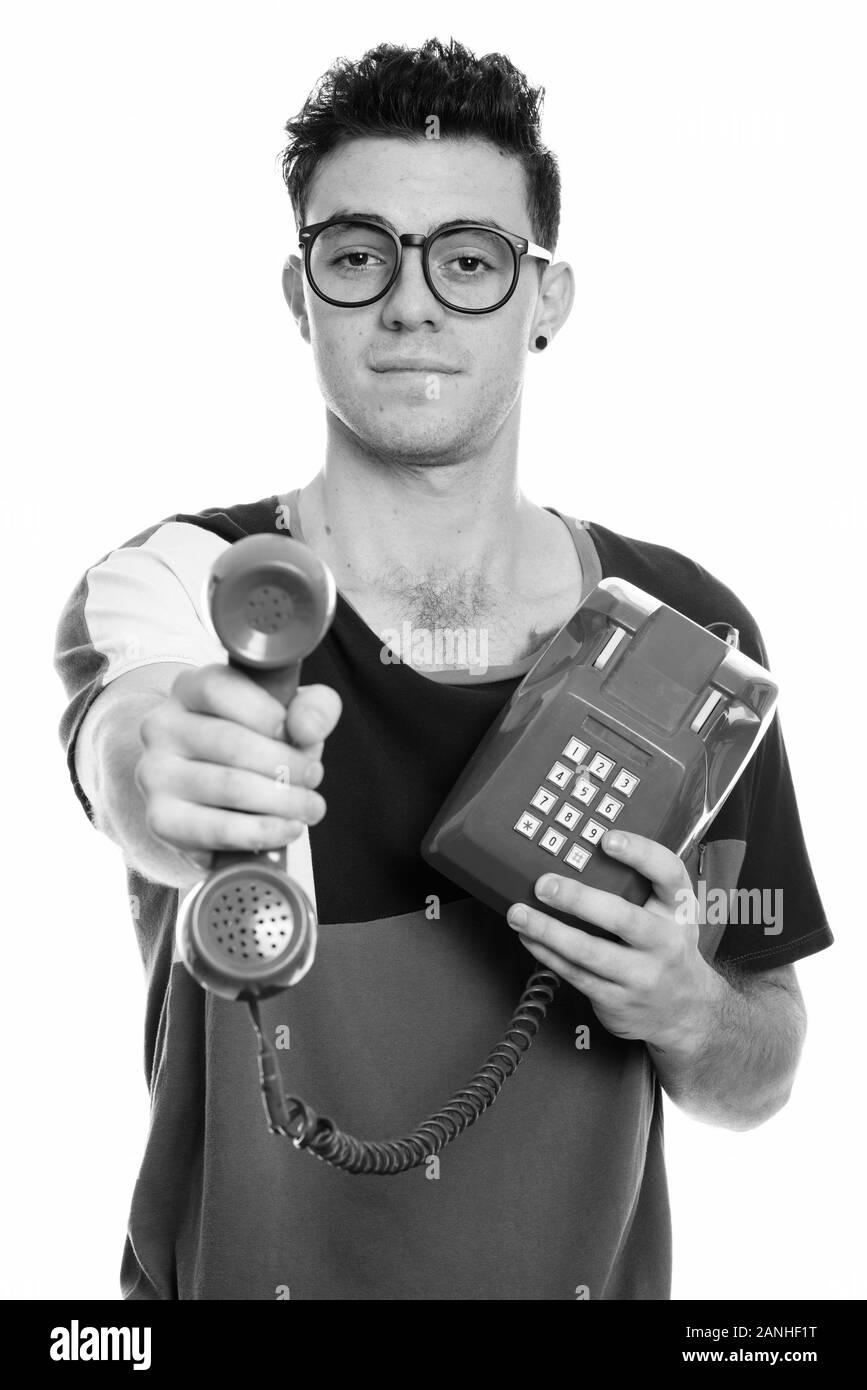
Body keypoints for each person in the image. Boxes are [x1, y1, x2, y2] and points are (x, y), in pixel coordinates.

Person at [53, 38, 832, 1301]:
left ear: (548, 299)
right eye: (358, 255)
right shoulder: (186, 582)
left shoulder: (693, 636)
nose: (410, 303)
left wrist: (685, 1003)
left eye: (469, 259)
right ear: (301, 293)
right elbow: (130, 734)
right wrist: (161, 771)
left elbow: (766, 1061)